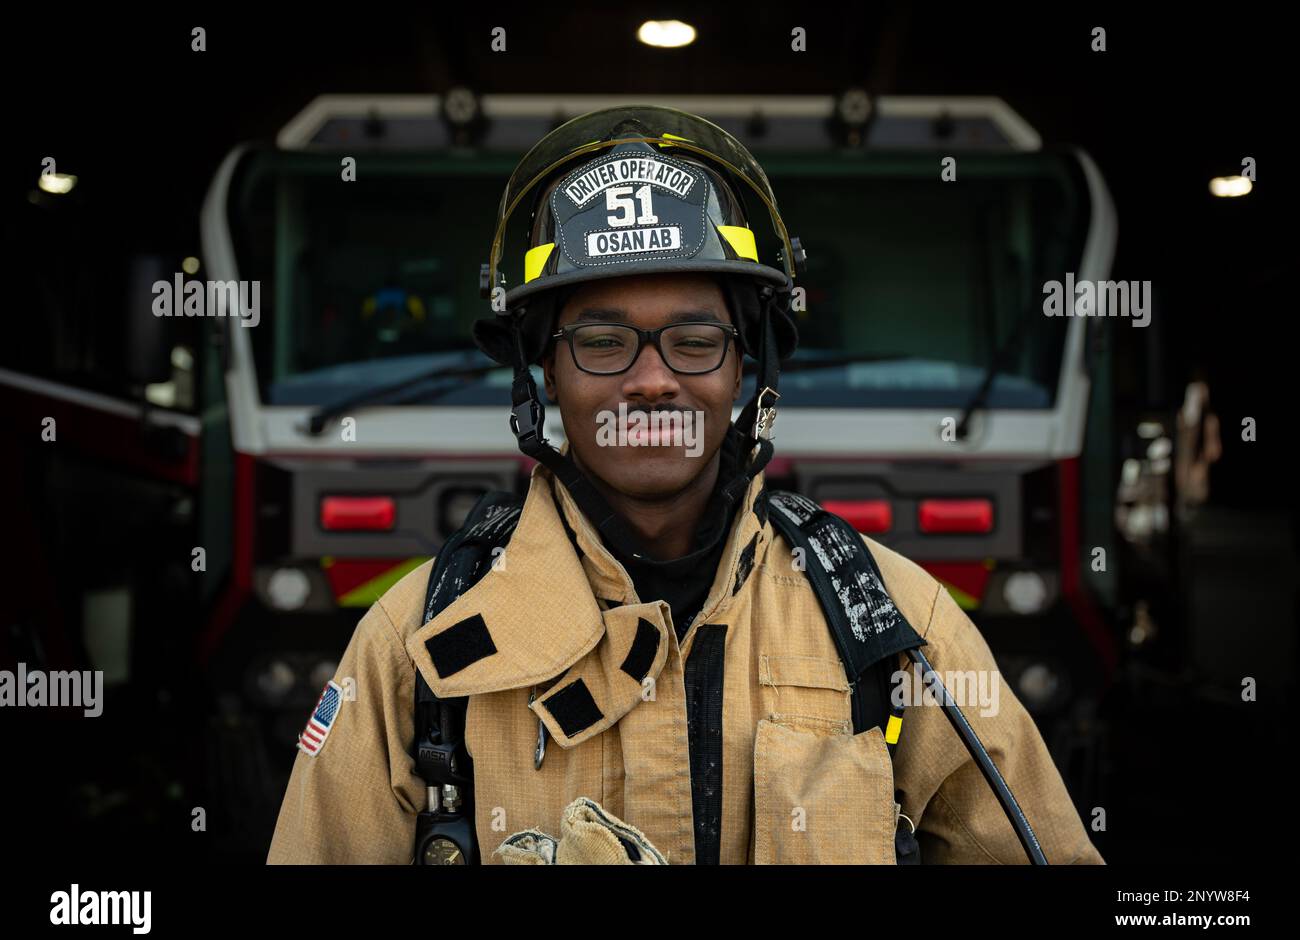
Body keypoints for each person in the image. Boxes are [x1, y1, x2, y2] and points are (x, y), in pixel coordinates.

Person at [267, 105, 1104, 865]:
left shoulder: (893, 627)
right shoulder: (414, 649)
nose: (652, 382)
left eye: (694, 340)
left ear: (747, 367)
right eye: (602, 342)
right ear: (545, 376)